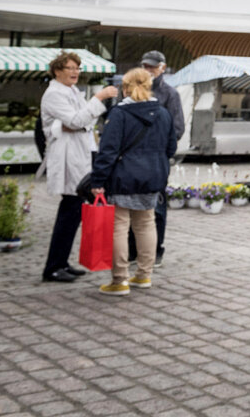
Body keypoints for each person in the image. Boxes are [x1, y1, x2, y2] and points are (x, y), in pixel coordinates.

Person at [88, 68, 177, 295]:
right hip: (153, 177)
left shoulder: (119, 113)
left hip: (123, 176)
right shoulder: (163, 113)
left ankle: (120, 280)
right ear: (149, 86)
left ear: (125, 87)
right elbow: (171, 148)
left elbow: (107, 151)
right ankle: (144, 276)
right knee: (146, 223)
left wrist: (98, 180)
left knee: (119, 226)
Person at [39, 52, 118, 283]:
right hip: (67, 158)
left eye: (77, 68)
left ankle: (61, 262)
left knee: (73, 210)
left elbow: (85, 122)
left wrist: (78, 121)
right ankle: (53, 267)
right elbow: (76, 121)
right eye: (70, 68)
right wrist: (98, 97)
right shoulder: (54, 94)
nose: (75, 72)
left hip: (79, 153)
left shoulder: (72, 91)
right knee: (69, 210)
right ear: (57, 71)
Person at [131, 50, 184, 269]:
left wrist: (158, 148)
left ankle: (155, 251)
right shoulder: (132, 90)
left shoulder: (170, 94)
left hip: (156, 160)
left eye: (152, 67)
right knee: (130, 206)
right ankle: (134, 251)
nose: (148, 70)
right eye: (145, 66)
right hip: (132, 160)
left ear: (162, 68)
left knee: (157, 207)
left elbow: (177, 129)